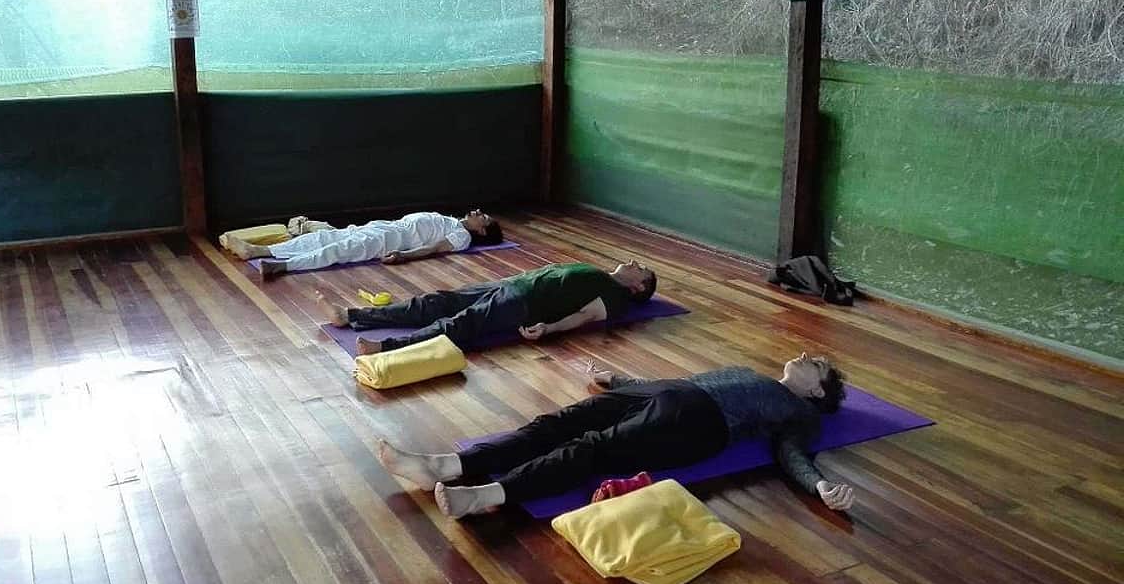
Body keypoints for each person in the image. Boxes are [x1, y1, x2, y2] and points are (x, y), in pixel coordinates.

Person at [378, 354, 855, 518]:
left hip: (699, 424)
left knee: (591, 450)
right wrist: (620, 381)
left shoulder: (797, 411)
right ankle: (447, 466)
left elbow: (791, 452)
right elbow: (696, 379)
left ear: (816, 389)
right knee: (554, 424)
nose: (807, 355)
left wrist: (818, 487)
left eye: (816, 362)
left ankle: (486, 495)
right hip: (668, 392)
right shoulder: (751, 371)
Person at [319, 260, 658, 355]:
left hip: (523, 305)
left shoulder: (615, 299)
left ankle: (386, 347)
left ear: (638, 287)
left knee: (460, 323)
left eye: (639, 268)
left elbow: (583, 316)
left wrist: (548, 329)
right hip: (510, 285)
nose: (632, 262)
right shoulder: (601, 274)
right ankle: (354, 315)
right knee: (436, 302)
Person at [224, 209, 502, 279]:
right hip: (386, 227)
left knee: (338, 251)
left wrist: (405, 256)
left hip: (392, 240)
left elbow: (435, 249)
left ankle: (281, 266)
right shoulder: (451, 219)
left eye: (483, 217)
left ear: (482, 232)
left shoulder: (462, 237)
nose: (478, 211)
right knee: (326, 237)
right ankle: (261, 251)